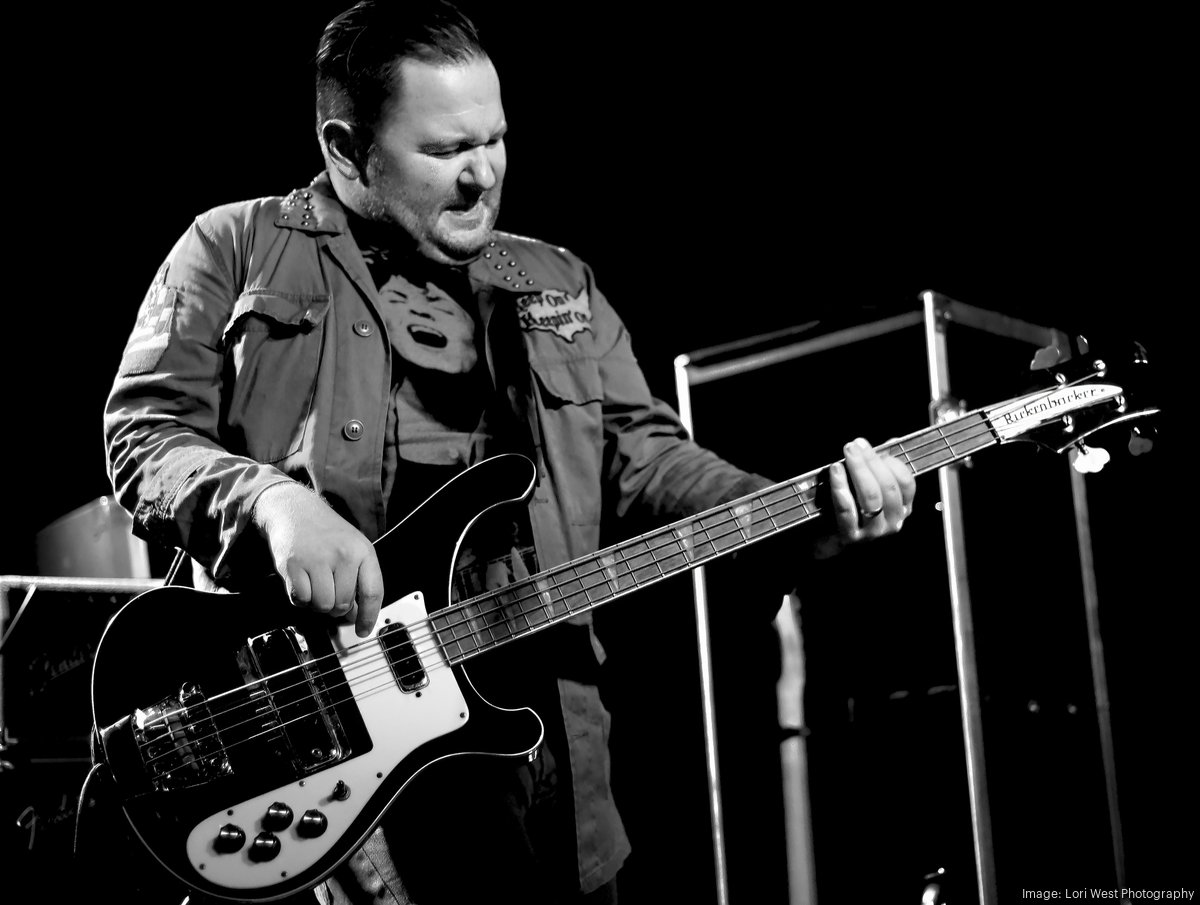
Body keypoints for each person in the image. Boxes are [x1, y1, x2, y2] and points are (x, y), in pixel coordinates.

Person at [103, 3, 916, 903]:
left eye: (495, 139)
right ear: (347, 150)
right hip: (333, 757)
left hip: (547, 756)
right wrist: (271, 503)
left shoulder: (552, 281)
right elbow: (143, 432)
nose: (482, 173)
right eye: (447, 149)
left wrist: (797, 513)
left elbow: (647, 460)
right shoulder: (234, 246)